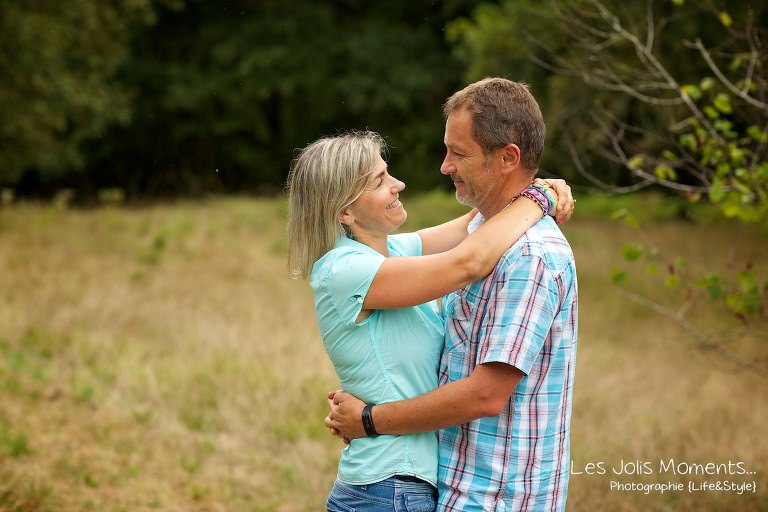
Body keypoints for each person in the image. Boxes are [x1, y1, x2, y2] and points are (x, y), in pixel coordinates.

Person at [286, 127, 573, 511]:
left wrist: (534, 186)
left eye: (388, 172)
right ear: (345, 211)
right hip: (386, 488)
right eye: (379, 181)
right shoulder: (346, 270)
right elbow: (469, 260)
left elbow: (474, 223)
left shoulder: (391, 252)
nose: (398, 184)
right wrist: (540, 197)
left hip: (401, 485)